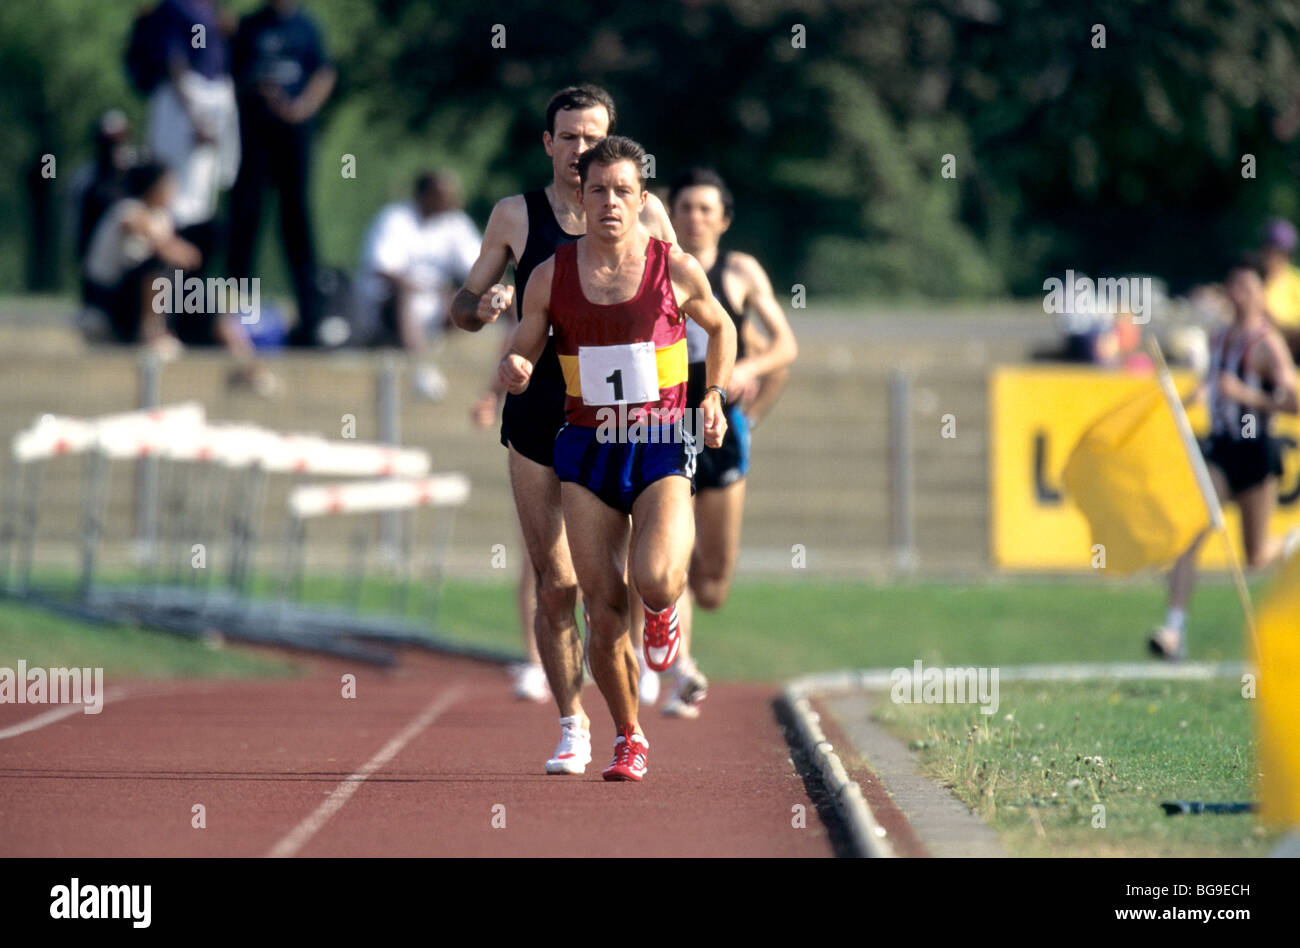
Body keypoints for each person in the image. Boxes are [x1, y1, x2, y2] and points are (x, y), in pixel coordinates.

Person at [450, 87, 676, 767]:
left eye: (593, 137)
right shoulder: (515, 215)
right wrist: (484, 306)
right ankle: (573, 720)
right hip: (542, 410)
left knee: (620, 582)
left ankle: (627, 717)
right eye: (569, 139)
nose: (580, 151)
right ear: (547, 144)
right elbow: (460, 306)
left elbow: (678, 301)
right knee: (556, 583)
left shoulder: (646, 212)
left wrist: (700, 395)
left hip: (623, 416)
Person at [499, 136, 736, 781]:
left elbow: (722, 328)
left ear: (641, 200)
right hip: (585, 448)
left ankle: (662, 618)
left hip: (660, 441)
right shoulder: (551, 274)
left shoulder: (673, 267)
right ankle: (629, 736)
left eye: (622, 191)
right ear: (581, 195)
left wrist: (711, 393)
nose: (609, 202)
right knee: (599, 608)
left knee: (657, 578)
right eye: (597, 190)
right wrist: (517, 366)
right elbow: (524, 344)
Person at [633, 167, 799, 718]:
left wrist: (746, 368)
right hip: (666, 416)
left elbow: (786, 346)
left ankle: (678, 636)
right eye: (685, 208)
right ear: (669, 214)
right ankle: (676, 668)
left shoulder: (740, 271)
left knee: (712, 585)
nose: (695, 218)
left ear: (724, 220)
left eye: (707, 209)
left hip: (723, 419)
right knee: (665, 548)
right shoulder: (656, 262)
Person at [1150, 259, 1300, 660]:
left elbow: (1293, 401)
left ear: (1258, 294)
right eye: (1233, 287)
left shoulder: (1267, 344)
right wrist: (1202, 395)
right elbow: (1216, 381)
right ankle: (1173, 630)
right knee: (1191, 530)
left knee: (1255, 556)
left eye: (1246, 288)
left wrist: (1246, 396)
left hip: (1255, 451)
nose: (1237, 296)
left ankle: (1293, 542)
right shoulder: (1217, 339)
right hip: (1220, 449)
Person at [228, 0, 336, 344]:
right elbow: (232, 73)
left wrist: (302, 106)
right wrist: (261, 92)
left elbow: (324, 72)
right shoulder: (249, 26)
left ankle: (311, 316)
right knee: (247, 216)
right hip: (254, 135)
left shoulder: (307, 27)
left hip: (294, 136)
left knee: (296, 222)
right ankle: (235, 311)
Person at [355, 171, 481, 400]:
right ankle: (421, 368)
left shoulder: (455, 222)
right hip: (387, 302)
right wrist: (420, 287)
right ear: (425, 195)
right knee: (409, 296)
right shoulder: (395, 218)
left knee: (465, 295)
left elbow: (478, 266)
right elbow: (383, 269)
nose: (452, 200)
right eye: (443, 195)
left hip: (434, 300)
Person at [142, 0, 241, 267]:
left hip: (210, 100)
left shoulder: (211, 8)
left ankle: (191, 284)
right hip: (182, 105)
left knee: (201, 198)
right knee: (174, 196)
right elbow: (174, 60)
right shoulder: (177, 7)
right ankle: (168, 276)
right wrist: (195, 114)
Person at [1259, 218, 1300, 360]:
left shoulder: (1296, 282)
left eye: (1278, 253)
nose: (1272, 257)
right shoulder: (1257, 280)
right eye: (1268, 251)